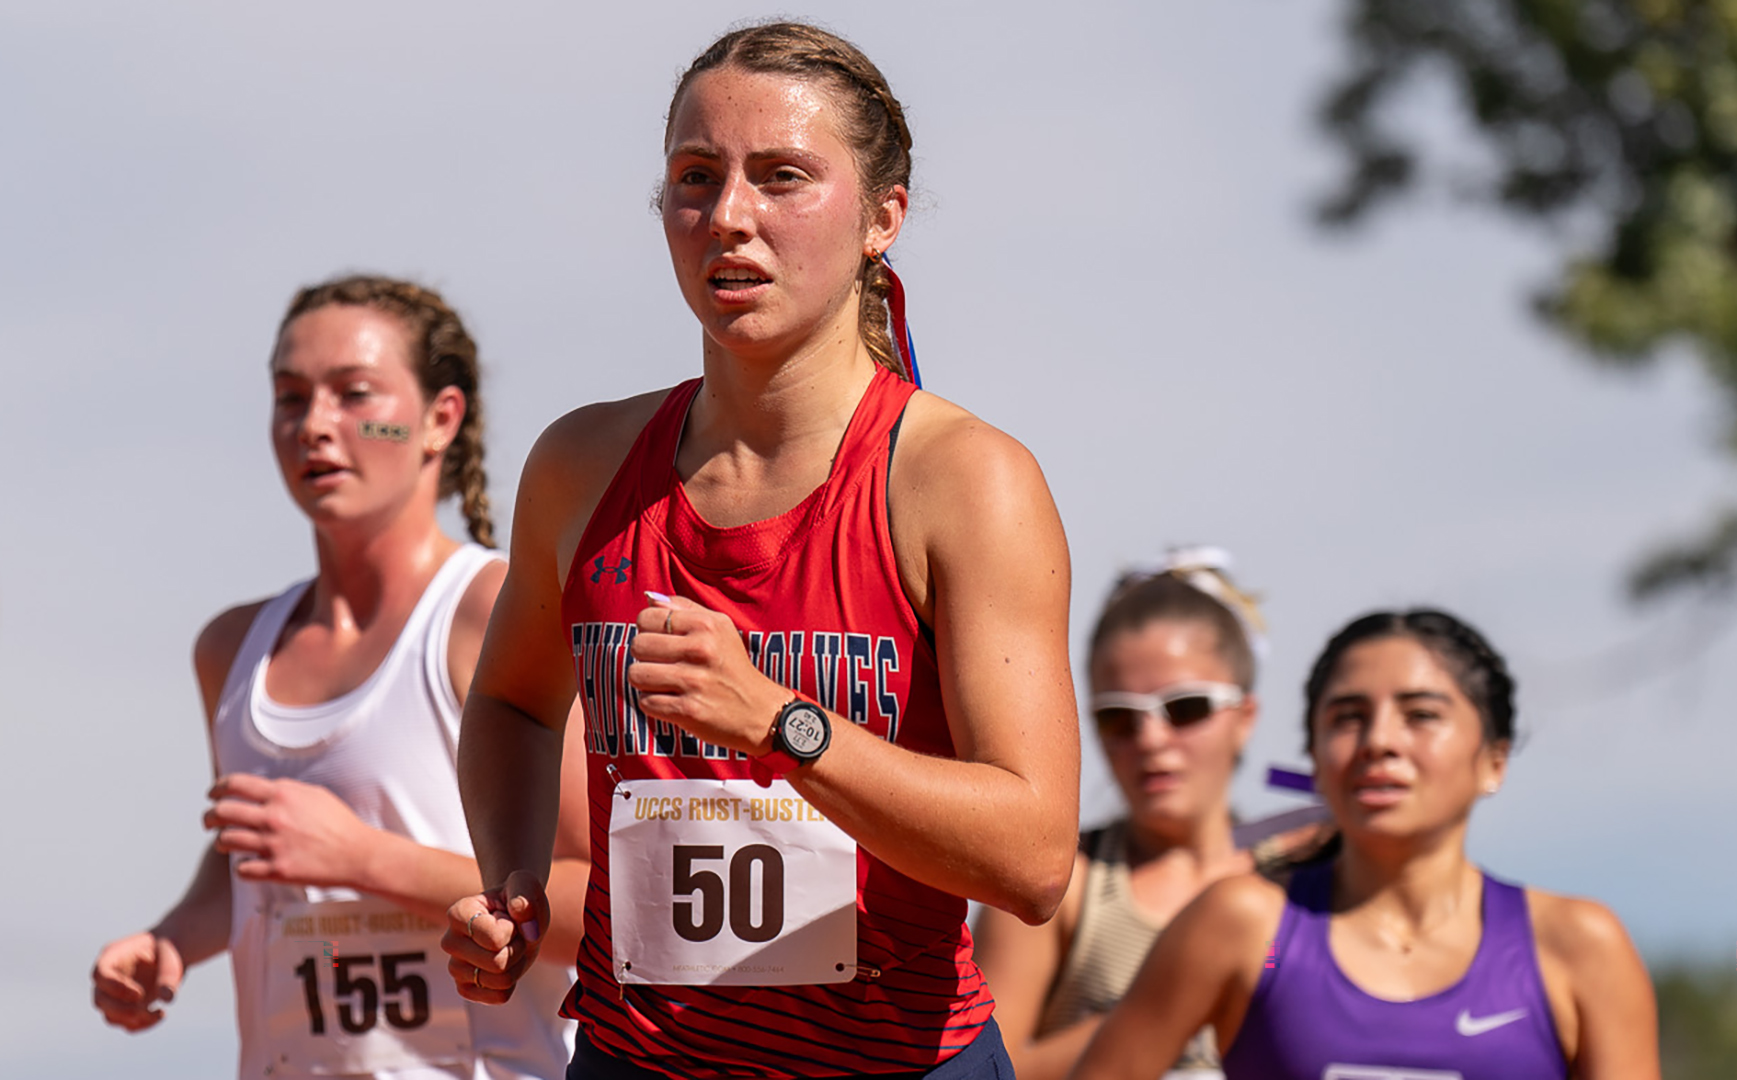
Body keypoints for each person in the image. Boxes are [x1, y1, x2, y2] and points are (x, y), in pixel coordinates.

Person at [440, 20, 1080, 1080]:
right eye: (696, 178)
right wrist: (510, 879)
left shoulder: (963, 480)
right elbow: (510, 704)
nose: (729, 217)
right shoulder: (581, 465)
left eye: (782, 177)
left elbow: (1035, 858)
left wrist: (778, 722)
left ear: (885, 217)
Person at [90, 275, 589, 1080]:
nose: (315, 425)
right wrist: (171, 941)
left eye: (356, 395)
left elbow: (603, 902)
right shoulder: (231, 647)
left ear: (439, 419)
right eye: (290, 398)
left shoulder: (492, 611)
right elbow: (250, 862)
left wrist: (365, 859)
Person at [1069, 609, 1661, 1080]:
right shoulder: (1244, 926)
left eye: (1421, 714)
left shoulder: (1578, 947)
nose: (1379, 740)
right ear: (1316, 762)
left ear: (1494, 761)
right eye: (1348, 717)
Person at [975, 550, 1321, 1080]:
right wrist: (1170, 1005)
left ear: (1245, 717)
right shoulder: (1055, 881)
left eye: (1186, 708)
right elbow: (990, 1069)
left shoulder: (1308, 876)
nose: (1152, 740)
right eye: (1119, 719)